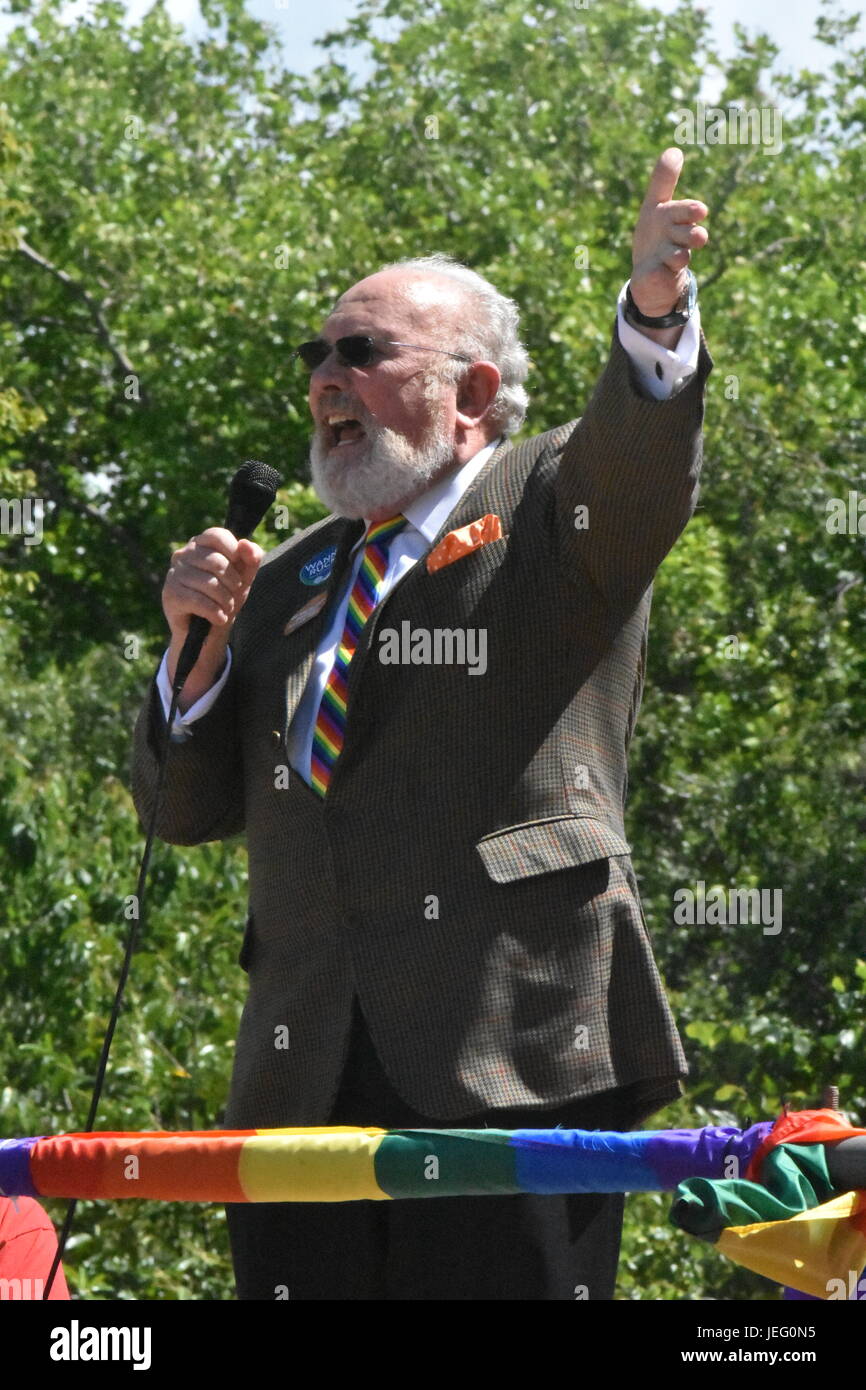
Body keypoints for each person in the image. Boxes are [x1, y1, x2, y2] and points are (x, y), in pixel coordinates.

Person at [132, 147, 712, 1299]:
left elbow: (640, 464)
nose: (324, 380)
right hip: (301, 1082)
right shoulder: (287, 581)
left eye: (362, 352)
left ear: (473, 395)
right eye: (316, 357)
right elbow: (184, 813)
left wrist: (654, 314)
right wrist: (187, 663)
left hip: (508, 1060)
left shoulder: (550, 503)